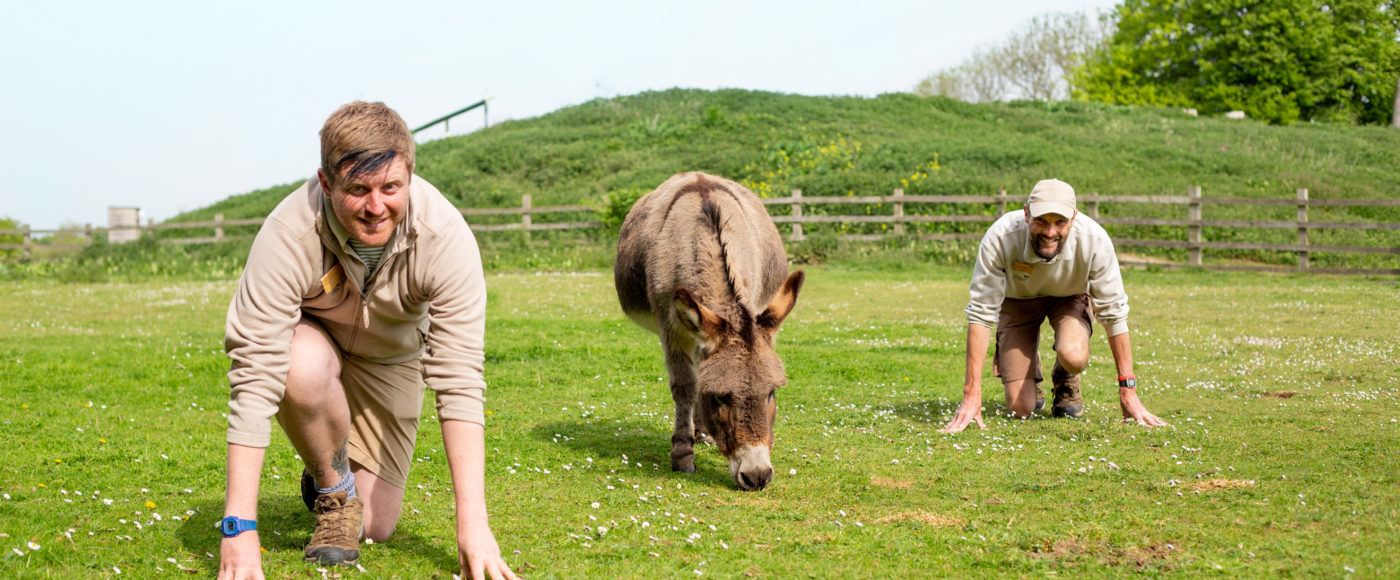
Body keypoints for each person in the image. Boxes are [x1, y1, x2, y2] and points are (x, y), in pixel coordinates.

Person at [217, 101, 518, 580]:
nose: (376, 207)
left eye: (390, 188)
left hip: (391, 360)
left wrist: (473, 524)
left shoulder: (444, 236)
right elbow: (256, 371)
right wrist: (239, 527)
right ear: (326, 182)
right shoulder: (289, 231)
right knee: (297, 363)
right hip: (315, 346)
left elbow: (458, 376)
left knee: (377, 526)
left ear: (410, 177)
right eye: (358, 189)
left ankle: (326, 457)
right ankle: (334, 486)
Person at [941, 178, 1168, 433]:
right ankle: (1029, 365)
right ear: (1026, 214)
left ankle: (1065, 375)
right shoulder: (1001, 237)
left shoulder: (1094, 240)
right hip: (1017, 301)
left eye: (1060, 222)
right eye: (1041, 221)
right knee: (1021, 409)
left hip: (1070, 297)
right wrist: (971, 394)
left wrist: (1128, 391)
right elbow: (981, 314)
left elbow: (1114, 314)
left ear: (1074, 217)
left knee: (1073, 354)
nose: (1050, 232)